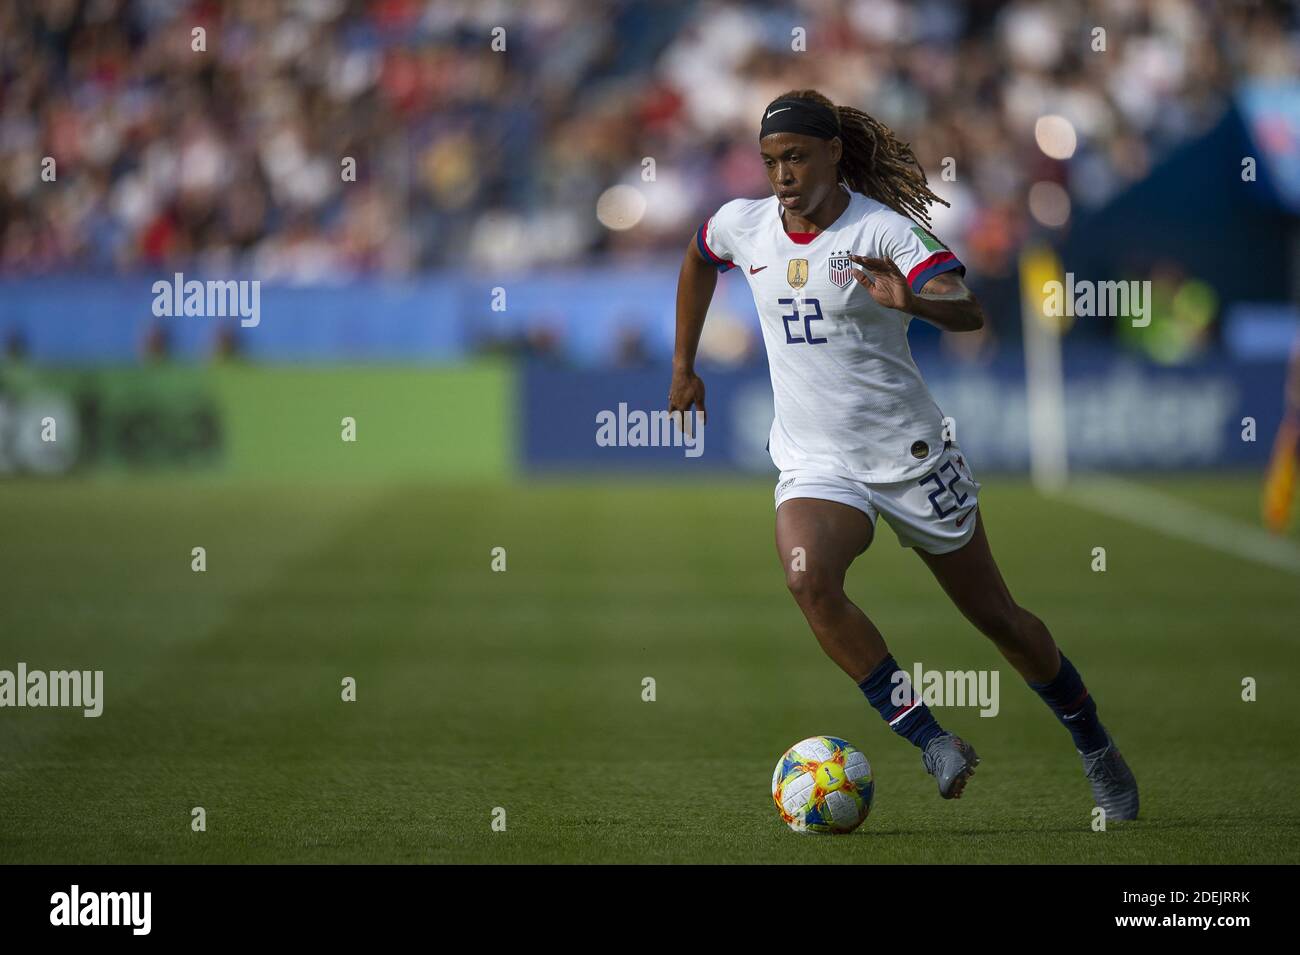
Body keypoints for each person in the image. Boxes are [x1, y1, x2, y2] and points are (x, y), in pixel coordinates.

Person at [668, 89, 1138, 818]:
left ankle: (1094, 742)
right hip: (817, 461)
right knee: (807, 579)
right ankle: (929, 737)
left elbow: (968, 308)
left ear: (833, 153)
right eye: (770, 161)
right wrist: (683, 365)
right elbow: (699, 258)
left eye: (796, 157)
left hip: (911, 458)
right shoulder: (744, 224)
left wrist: (911, 299)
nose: (782, 175)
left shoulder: (883, 229)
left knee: (999, 619)